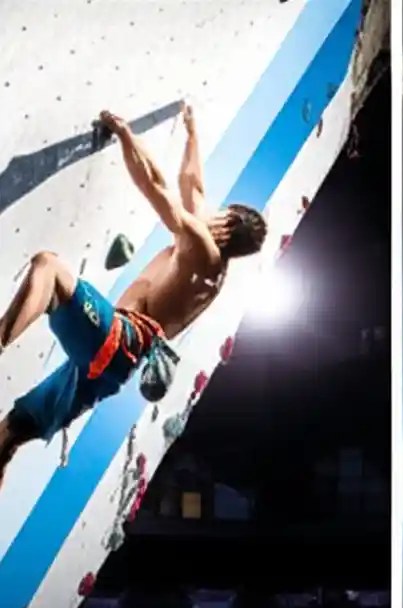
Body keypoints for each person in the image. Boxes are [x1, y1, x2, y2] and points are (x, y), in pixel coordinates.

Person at [0, 104, 267, 483]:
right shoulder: (205, 263)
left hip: (114, 341)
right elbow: (193, 186)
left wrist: (125, 135)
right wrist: (192, 133)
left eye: (222, 211)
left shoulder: (202, 251)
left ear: (226, 224)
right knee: (8, 434)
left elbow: (156, 188)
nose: (212, 209)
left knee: (49, 267)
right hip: (108, 366)